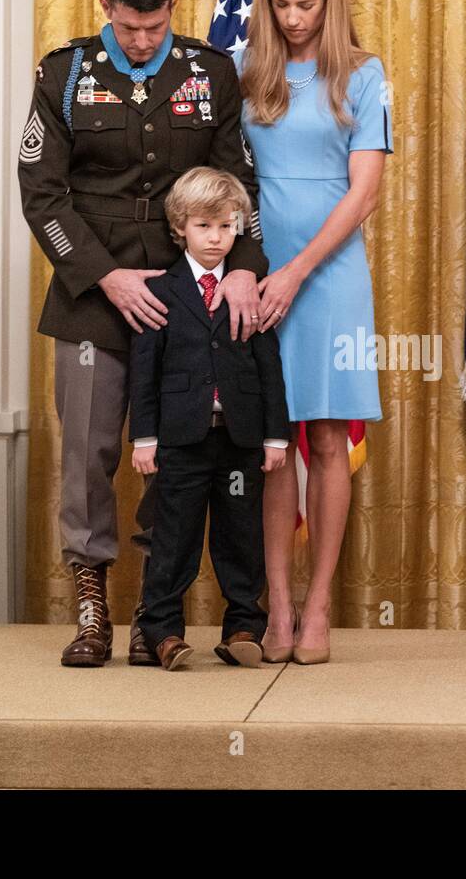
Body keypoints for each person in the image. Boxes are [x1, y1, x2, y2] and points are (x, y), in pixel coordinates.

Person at [18, 0, 269, 668]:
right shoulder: (64, 75)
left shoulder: (209, 71)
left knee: (185, 448)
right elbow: (41, 192)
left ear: (172, 12)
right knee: (89, 454)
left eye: (155, 26)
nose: (142, 41)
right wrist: (106, 277)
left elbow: (237, 185)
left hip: (188, 294)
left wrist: (246, 268)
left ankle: (156, 610)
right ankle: (92, 608)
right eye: (129, 26)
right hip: (93, 298)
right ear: (106, 10)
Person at [233, 0, 391, 666]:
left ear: (330, 3)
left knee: (327, 440)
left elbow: (364, 193)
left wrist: (295, 272)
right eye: (281, 4)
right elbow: (226, 180)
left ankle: (320, 602)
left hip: (327, 279)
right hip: (258, 276)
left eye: (306, 4)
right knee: (271, 448)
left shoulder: (363, 75)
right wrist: (255, 269)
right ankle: (279, 607)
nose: (293, 18)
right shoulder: (245, 72)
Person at [128, 167, 289, 670]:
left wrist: (276, 438)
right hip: (181, 441)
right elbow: (145, 374)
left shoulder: (250, 291)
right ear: (180, 227)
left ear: (238, 226)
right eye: (204, 226)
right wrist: (144, 438)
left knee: (240, 535)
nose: (216, 237)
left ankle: (244, 624)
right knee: (173, 537)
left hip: (239, 440)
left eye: (225, 225)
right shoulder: (159, 291)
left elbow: (269, 369)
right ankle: (162, 632)